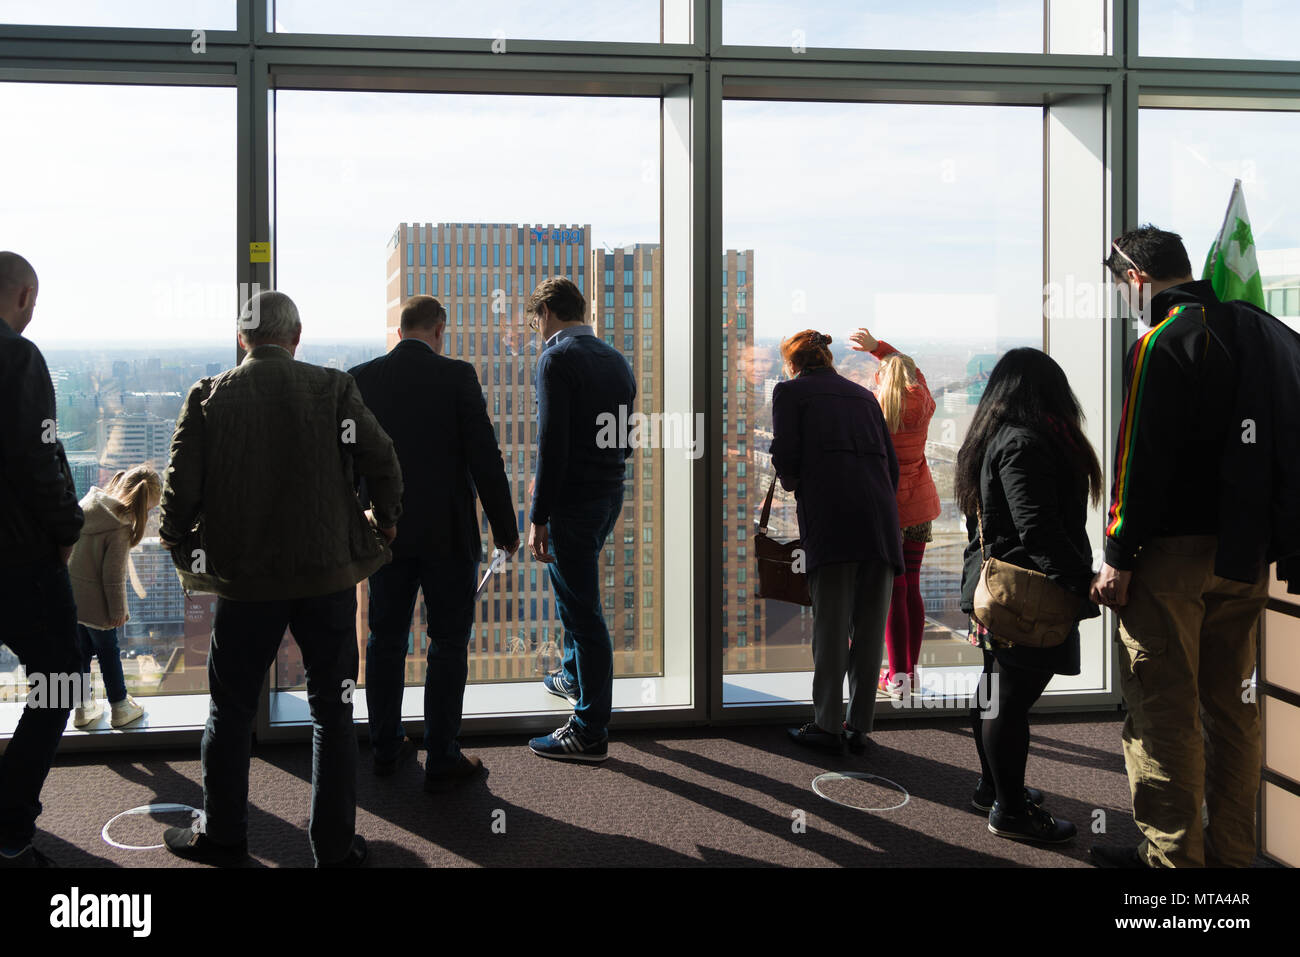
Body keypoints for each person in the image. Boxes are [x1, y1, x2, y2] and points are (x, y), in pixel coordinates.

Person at [158, 290, 403, 867]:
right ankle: (334, 847)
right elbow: (383, 458)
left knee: (230, 710)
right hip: (328, 576)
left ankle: (223, 835)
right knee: (333, 712)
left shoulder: (210, 396)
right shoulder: (334, 387)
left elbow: (178, 495)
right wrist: (383, 523)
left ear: (242, 339)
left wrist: (186, 547)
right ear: (296, 338)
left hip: (247, 581)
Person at [1090, 225, 1296, 868]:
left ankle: (1175, 865)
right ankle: (1235, 859)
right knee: (1235, 711)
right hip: (1245, 556)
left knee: (1164, 711)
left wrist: (1118, 556)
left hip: (1171, 562)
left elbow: (1139, 461)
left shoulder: (1161, 342)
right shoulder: (1261, 333)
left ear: (1135, 278)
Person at [348, 296, 519, 791]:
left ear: (399, 332)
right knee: (447, 643)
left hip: (386, 532)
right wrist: (505, 531)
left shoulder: (364, 378)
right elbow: (486, 459)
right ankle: (443, 755)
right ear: (439, 331)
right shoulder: (457, 377)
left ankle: (384, 746)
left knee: (384, 639)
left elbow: (350, 461)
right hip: (448, 534)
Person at [955, 347, 1101, 844]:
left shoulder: (997, 436)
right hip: (1022, 593)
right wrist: (1082, 581)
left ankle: (993, 787)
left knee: (996, 691)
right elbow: (1035, 528)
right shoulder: (1026, 443)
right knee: (1010, 702)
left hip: (1000, 587)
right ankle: (1010, 810)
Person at [771, 331, 902, 756]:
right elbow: (892, 467)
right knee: (868, 631)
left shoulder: (790, 393)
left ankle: (826, 725)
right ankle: (858, 725)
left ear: (793, 363)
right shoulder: (863, 397)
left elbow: (787, 459)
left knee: (830, 629)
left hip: (833, 522)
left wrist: (798, 482)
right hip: (880, 525)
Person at [525, 277, 635, 762]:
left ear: (547, 311)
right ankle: (571, 676)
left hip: (572, 502)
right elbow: (624, 438)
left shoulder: (556, 358)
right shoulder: (615, 359)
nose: (535, 332)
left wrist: (538, 516)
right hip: (608, 492)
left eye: (534, 321)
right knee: (576, 599)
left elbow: (552, 445)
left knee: (583, 612)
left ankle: (590, 729)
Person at [0, 251, 85, 868]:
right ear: (25, 297)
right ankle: (8, 827)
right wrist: (65, 528)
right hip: (18, 558)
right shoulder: (17, 357)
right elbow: (40, 456)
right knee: (61, 676)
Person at [850, 328, 941, 699]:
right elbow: (912, 370)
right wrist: (881, 349)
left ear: (880, 380)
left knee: (893, 592)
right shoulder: (924, 401)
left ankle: (896, 678)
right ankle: (909, 675)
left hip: (886, 508)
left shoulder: (872, 409)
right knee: (912, 588)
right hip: (919, 504)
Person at [68, 466, 162, 729]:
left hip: (74, 601)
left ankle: (82, 709)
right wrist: (118, 611)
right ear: (141, 504)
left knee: (82, 655)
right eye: (149, 510)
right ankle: (120, 706)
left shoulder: (88, 505)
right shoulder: (119, 527)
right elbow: (113, 576)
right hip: (99, 607)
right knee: (109, 654)